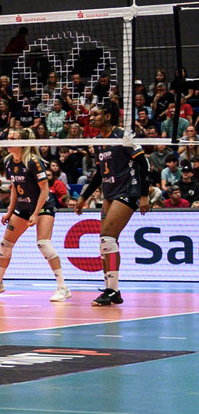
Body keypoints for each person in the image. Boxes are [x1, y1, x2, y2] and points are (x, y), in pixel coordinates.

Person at [73, 99, 150, 307]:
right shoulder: (98, 141)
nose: (92, 118)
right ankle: (111, 289)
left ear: (107, 116)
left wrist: (144, 194)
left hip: (128, 190)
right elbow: (99, 173)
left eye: (96, 114)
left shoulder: (123, 136)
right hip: (109, 192)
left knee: (107, 237)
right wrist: (84, 196)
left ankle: (112, 290)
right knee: (106, 241)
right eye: (91, 115)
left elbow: (144, 164)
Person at [0, 129, 71, 301]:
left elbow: (45, 190)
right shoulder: (8, 162)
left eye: (12, 138)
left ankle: (63, 287)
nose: (8, 141)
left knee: (43, 244)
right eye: (7, 138)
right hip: (23, 206)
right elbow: (15, 188)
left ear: (22, 142)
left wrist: (36, 214)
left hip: (43, 205)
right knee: (5, 244)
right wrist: (9, 210)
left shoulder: (34, 162)